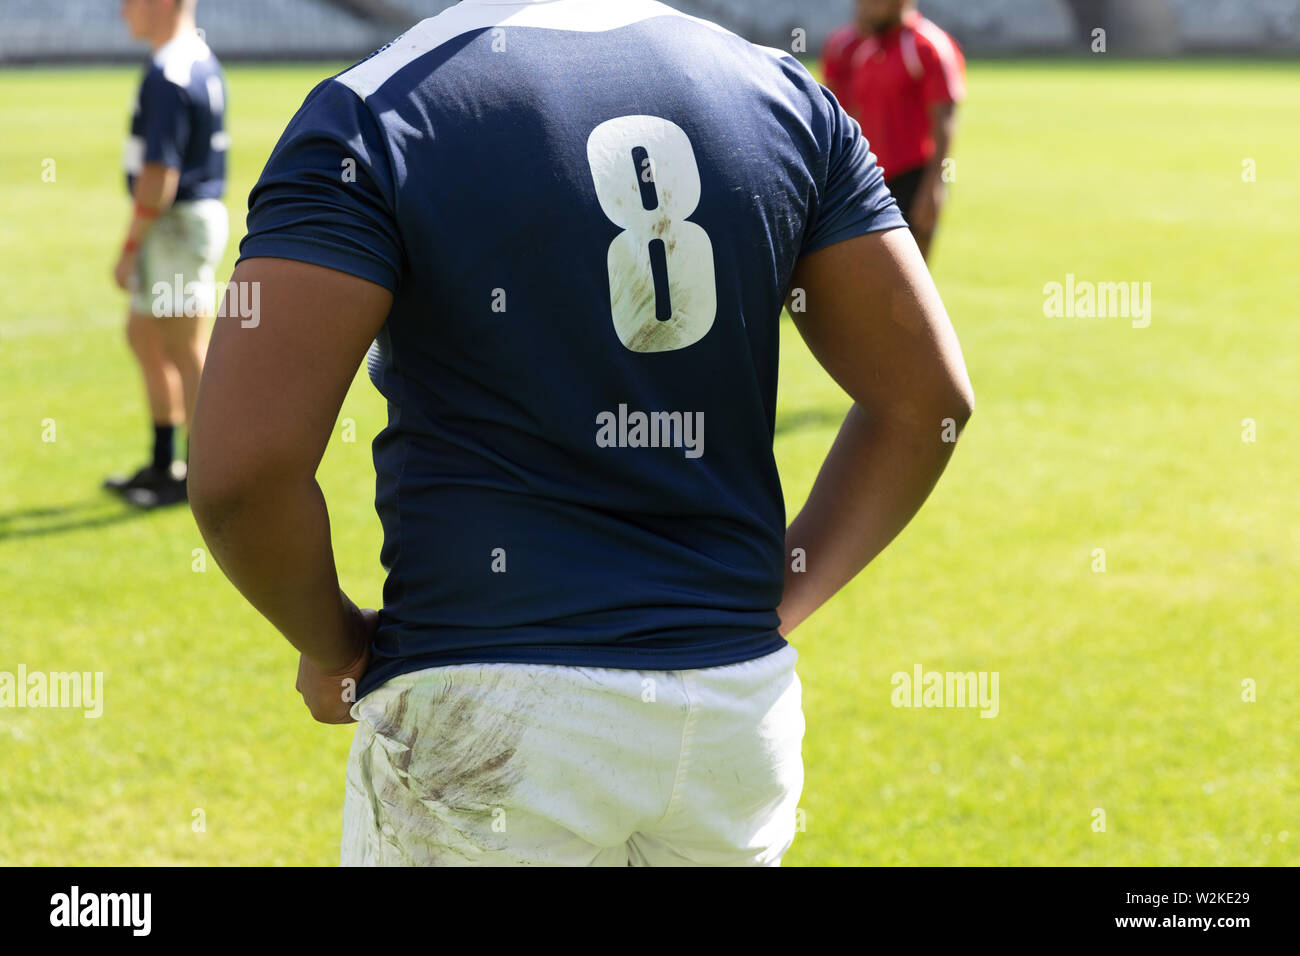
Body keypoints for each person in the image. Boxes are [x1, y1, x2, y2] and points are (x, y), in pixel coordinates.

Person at [188, 0, 973, 867]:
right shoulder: (783, 91)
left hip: (488, 703)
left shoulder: (381, 105)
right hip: (730, 715)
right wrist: (776, 601)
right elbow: (926, 402)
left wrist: (334, 644)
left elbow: (241, 473)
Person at [107, 0, 228, 509]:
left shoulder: (170, 70)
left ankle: (200, 476)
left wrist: (130, 246)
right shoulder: (190, 56)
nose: (121, 12)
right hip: (177, 224)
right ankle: (164, 463)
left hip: (175, 225)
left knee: (185, 347)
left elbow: (161, 175)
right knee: (145, 337)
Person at [823, 0, 965, 259]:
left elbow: (944, 117)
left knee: (907, 282)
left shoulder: (927, 45)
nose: (864, 7)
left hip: (911, 177)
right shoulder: (852, 46)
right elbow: (834, 111)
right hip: (860, 176)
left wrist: (935, 184)